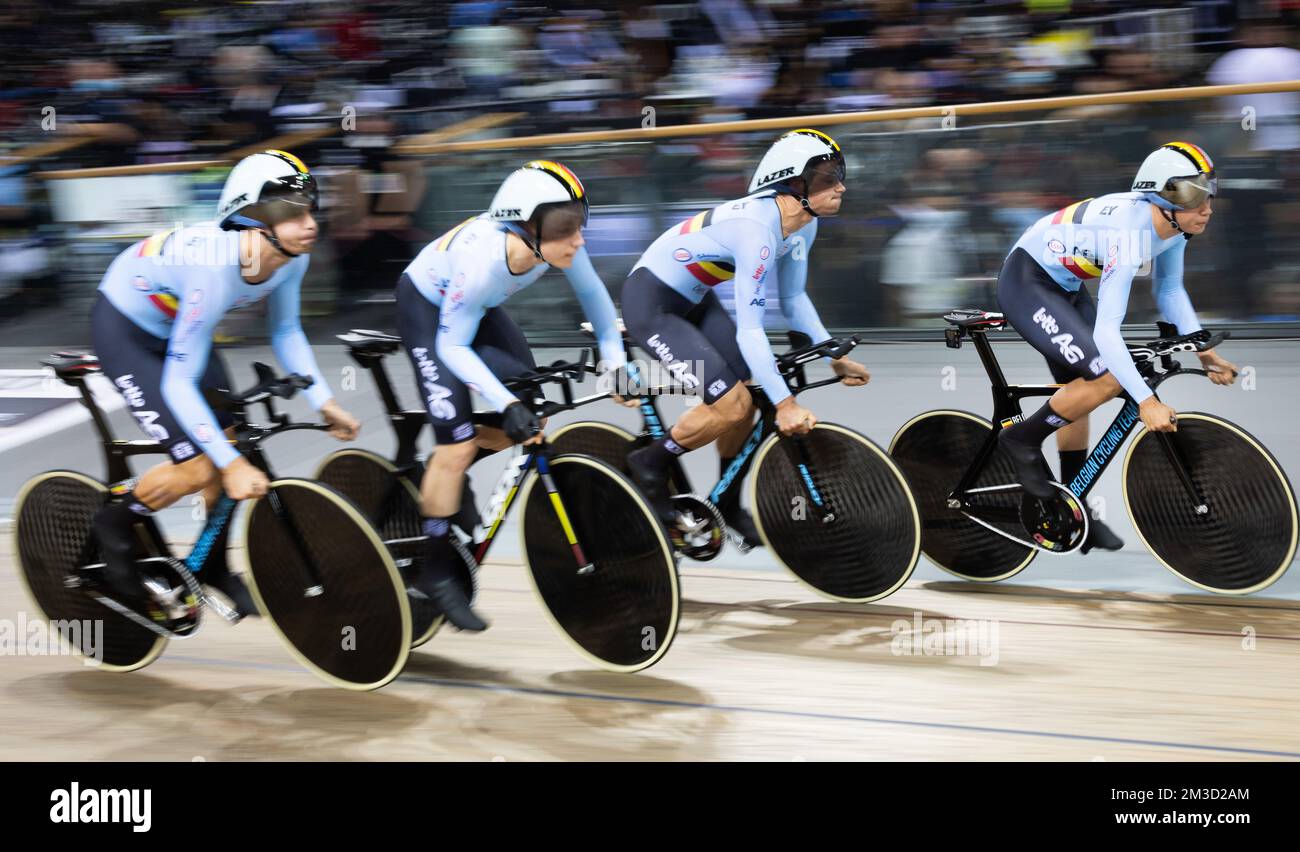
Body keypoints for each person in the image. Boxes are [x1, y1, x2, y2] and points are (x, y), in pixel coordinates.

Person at [90, 150, 361, 617]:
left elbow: (287, 331)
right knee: (202, 467)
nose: (310, 223)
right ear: (253, 221)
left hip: (180, 328)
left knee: (233, 444)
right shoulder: (213, 272)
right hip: (127, 330)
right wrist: (227, 464)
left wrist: (324, 400)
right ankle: (112, 525)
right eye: (293, 213)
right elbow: (177, 385)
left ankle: (212, 564)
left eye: (310, 209)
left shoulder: (289, 257)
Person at [396, 160, 628, 631]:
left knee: (531, 416)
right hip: (429, 309)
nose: (577, 239)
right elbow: (451, 347)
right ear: (523, 226)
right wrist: (504, 402)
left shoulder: (555, 242)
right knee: (460, 441)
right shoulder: (484, 263)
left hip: (473, 310)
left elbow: (602, 310)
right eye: (565, 227)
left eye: (580, 222)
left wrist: (617, 363)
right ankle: (434, 573)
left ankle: (443, 474)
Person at [621, 129, 871, 546]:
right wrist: (787, 403)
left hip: (696, 301)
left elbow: (793, 298)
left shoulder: (803, 225)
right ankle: (649, 463)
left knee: (753, 395)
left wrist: (833, 355)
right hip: (653, 304)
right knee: (731, 404)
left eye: (839, 174)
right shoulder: (756, 232)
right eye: (829, 177)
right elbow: (751, 327)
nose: (841, 185)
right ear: (794, 185)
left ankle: (728, 500)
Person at [995, 141, 1238, 552]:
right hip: (1028, 283)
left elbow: (1170, 290)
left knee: (1083, 388)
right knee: (1107, 377)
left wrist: (1203, 349)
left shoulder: (1173, 227)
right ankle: (1020, 439)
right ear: (1162, 197)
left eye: (1209, 193)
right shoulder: (1129, 233)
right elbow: (1109, 334)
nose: (1207, 206)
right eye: (1196, 196)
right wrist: (1145, 401)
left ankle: (1075, 504)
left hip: (1065, 285)